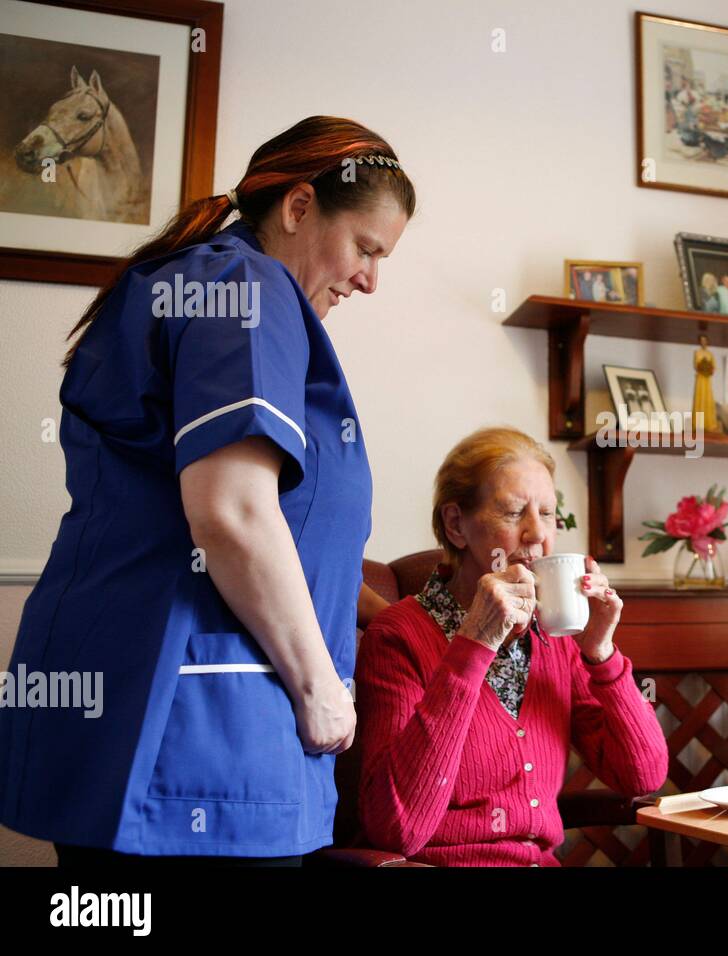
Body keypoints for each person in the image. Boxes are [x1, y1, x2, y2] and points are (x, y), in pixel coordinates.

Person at [0, 116, 416, 865]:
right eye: (366, 248)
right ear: (297, 207)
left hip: (134, 703)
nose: (370, 280)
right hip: (199, 732)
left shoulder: (192, 280)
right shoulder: (243, 287)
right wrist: (322, 685)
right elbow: (233, 512)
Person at [355, 427, 668, 866]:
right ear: (455, 524)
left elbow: (642, 774)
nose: (536, 534)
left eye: (547, 513)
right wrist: (475, 643)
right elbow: (398, 827)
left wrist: (601, 653)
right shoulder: (398, 636)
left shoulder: (556, 642)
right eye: (513, 512)